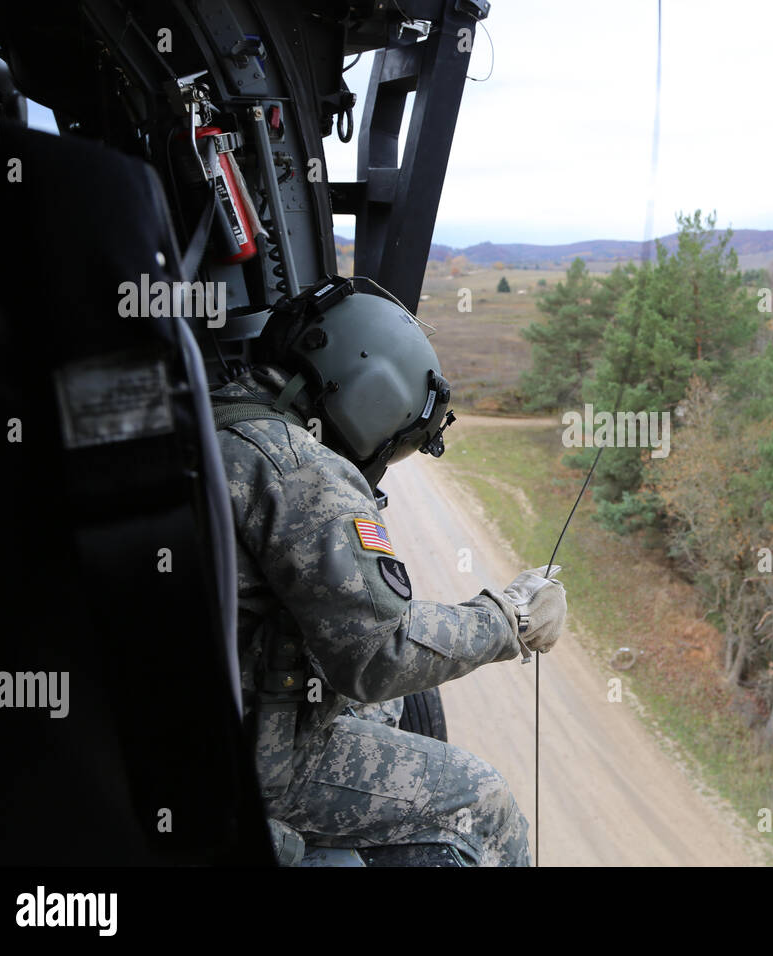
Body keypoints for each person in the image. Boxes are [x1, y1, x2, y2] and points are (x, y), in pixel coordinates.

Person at [210, 276, 564, 866]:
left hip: (192, 719)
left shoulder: (219, 420)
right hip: (258, 760)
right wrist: (511, 619)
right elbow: (381, 654)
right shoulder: (303, 470)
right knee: (484, 801)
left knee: (385, 711)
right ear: (371, 395)